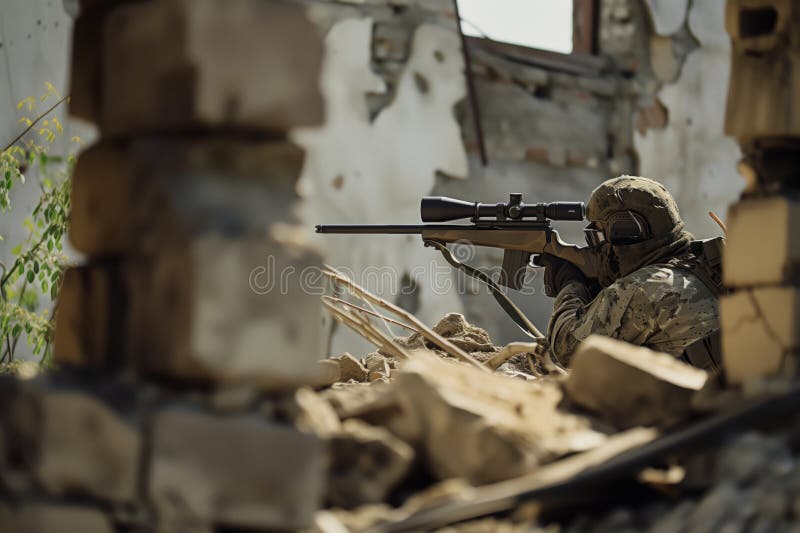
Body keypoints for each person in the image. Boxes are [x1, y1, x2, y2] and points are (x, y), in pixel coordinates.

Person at [537, 176, 724, 370]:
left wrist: (570, 284)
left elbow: (568, 350)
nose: (595, 247)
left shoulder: (644, 288)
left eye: (597, 236)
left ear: (624, 232)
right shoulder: (702, 264)